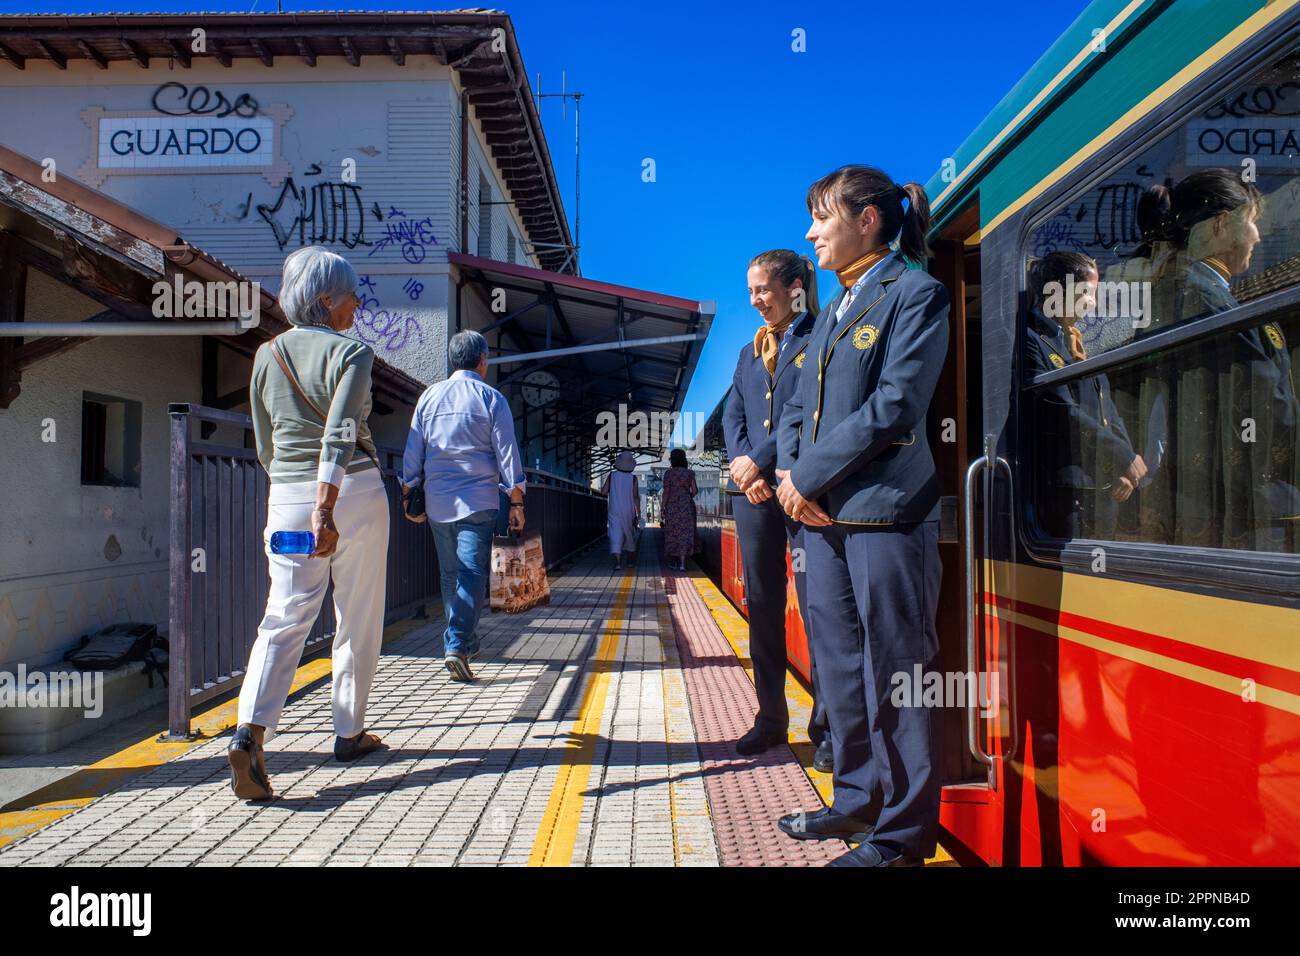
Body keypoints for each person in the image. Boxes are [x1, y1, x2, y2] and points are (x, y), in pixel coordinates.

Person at [774, 165, 949, 867]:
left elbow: (896, 407)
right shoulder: (832, 314)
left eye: (822, 217)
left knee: (897, 675)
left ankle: (903, 837)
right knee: (843, 671)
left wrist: (805, 479)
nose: (811, 232)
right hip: (824, 522)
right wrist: (792, 476)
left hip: (887, 517)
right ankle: (855, 801)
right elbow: (793, 409)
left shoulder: (916, 294)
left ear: (867, 220)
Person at [229, 246, 390, 801]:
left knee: (285, 613)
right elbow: (342, 430)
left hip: (286, 496)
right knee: (358, 613)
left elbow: (265, 443)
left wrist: (297, 498)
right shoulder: (353, 353)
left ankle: (249, 732)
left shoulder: (266, 355)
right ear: (326, 300)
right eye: (351, 294)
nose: (357, 303)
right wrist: (326, 507)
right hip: (353, 491)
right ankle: (349, 731)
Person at [723, 249, 831, 769]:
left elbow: (802, 412)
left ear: (794, 286)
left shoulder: (822, 334)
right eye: (750, 292)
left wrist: (757, 464)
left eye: (762, 289)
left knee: (820, 610)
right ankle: (770, 718)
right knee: (763, 609)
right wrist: (743, 468)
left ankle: (827, 727)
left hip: (804, 492)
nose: (755, 300)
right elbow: (732, 416)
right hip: (756, 501)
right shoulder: (748, 353)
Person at [401, 330, 525, 683]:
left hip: (438, 503)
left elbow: (414, 450)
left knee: (449, 575)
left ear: (453, 360)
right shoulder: (491, 398)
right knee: (471, 574)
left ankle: (465, 642)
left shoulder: (429, 397)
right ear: (482, 360)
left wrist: (409, 491)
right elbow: (507, 454)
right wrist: (516, 500)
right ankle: (456, 643)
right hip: (479, 501)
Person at [1025, 251, 1145, 539]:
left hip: (1102, 483)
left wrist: (1124, 466)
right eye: (1086, 294)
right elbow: (1062, 410)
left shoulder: (1077, 339)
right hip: (1069, 490)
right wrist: (1121, 455)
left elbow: (1106, 406)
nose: (1092, 304)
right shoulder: (1032, 340)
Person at [602, 450, 640, 570]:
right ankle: (630, 561)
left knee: (615, 534)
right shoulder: (633, 479)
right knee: (628, 534)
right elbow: (636, 497)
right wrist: (638, 513)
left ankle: (618, 563)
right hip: (628, 510)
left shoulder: (612, 476)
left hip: (614, 510)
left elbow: (603, 491)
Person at [660, 448, 697, 571]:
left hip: (672, 507)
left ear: (673, 460)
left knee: (673, 532)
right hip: (686, 506)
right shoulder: (690, 473)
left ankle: (675, 562)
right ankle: (683, 564)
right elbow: (695, 490)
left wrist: (662, 507)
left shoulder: (669, 474)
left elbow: (666, 492)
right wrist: (687, 496)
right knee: (685, 533)